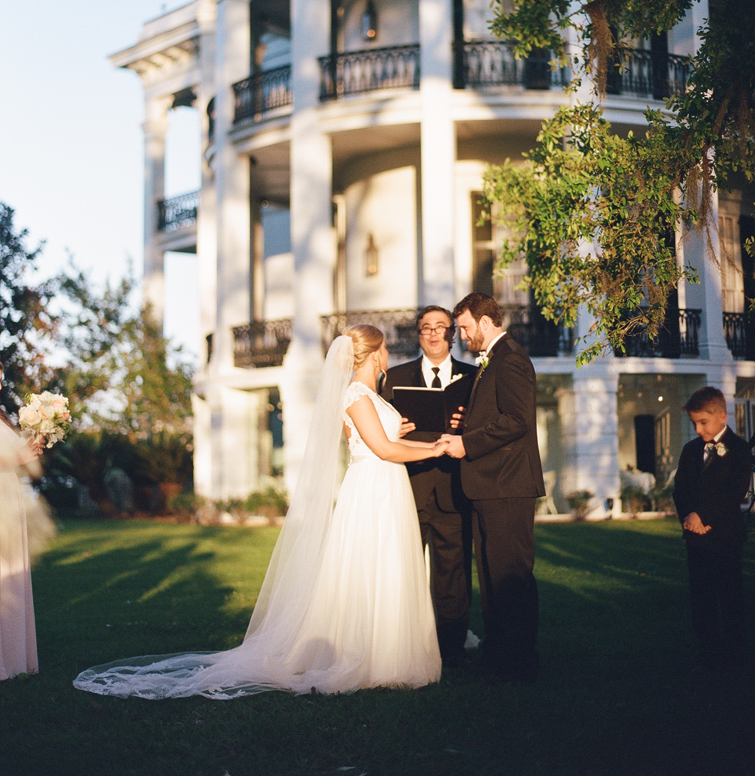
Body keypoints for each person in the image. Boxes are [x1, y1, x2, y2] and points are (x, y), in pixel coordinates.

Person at [75, 326, 449, 698]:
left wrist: (403, 435)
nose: (388, 355)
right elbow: (381, 450)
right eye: (385, 348)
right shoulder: (356, 395)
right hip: (372, 489)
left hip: (386, 486)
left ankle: (388, 653)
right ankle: (369, 656)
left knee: (385, 563)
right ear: (376, 352)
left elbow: (384, 442)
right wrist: (435, 449)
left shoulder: (371, 396)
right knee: (369, 565)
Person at [442, 292, 544, 682]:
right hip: (490, 485)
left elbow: (518, 420)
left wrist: (467, 443)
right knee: (490, 574)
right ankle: (499, 654)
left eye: (465, 328)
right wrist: (467, 421)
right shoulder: (493, 360)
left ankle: (519, 662)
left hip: (507, 486)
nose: (462, 337)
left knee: (511, 577)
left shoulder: (511, 358)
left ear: (486, 323)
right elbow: (498, 413)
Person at [383, 306, 478, 665]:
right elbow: (380, 434)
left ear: (453, 334)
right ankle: (401, 645)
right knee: (402, 570)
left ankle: (451, 647)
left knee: (453, 573)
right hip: (410, 488)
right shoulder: (394, 378)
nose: (434, 334)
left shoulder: (474, 377)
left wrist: (467, 424)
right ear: (418, 335)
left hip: (456, 489)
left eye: (442, 327)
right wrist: (399, 431)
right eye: (427, 328)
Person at [672, 386, 753, 672]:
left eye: (703, 422)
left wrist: (704, 516)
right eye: (694, 423)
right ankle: (707, 649)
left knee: (729, 593)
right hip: (695, 536)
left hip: (724, 534)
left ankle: (734, 650)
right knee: (701, 595)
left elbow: (735, 492)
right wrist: (689, 517)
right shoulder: (690, 450)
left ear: (722, 416)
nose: (698, 428)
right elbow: (680, 489)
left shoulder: (739, 449)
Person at [1, 416, 49, 681]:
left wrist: (32, 447)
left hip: (9, 499)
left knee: (11, 576)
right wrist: (13, 459)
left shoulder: (3, 418)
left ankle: (13, 658)